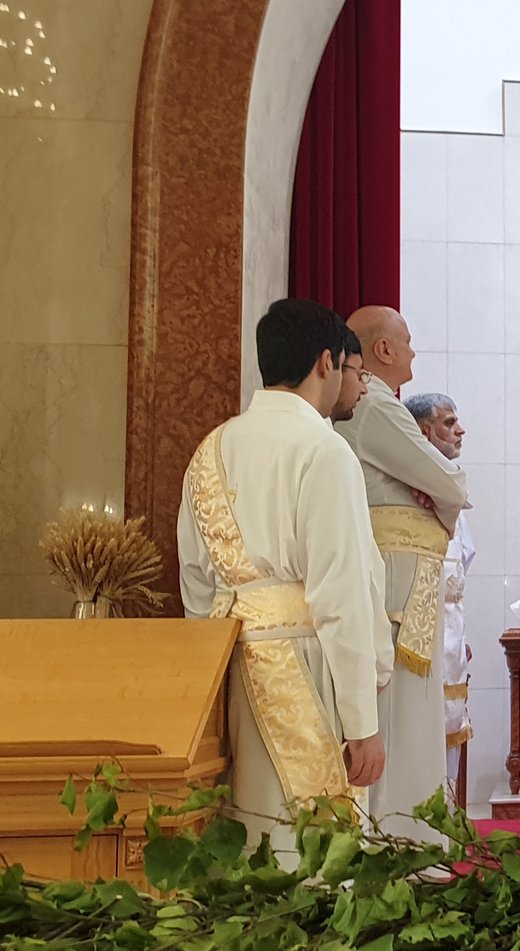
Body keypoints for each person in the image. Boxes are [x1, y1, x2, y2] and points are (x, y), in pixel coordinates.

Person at [176, 299, 389, 854]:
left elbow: (196, 587)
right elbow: (340, 592)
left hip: (231, 667)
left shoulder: (209, 450)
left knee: (246, 832)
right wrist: (362, 722)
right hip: (307, 662)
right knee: (313, 845)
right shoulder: (322, 449)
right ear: (326, 361)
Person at [334, 305, 469, 839]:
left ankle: (409, 836)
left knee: (414, 709)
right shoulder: (375, 404)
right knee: (402, 712)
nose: (413, 351)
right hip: (396, 576)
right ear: (384, 350)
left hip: (408, 573)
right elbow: (454, 486)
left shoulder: (374, 403)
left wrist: (438, 494)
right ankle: (400, 841)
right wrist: (439, 496)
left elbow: (444, 487)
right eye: (406, 341)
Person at [408, 393, 474, 798]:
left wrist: (460, 639)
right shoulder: (407, 488)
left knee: (449, 726)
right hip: (417, 631)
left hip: (450, 630)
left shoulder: (448, 487)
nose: (460, 430)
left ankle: (446, 825)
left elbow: (461, 566)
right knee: (419, 729)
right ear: (423, 431)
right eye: (449, 423)